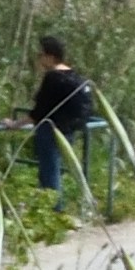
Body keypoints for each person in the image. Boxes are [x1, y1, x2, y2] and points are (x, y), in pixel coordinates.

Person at [25, 34, 107, 199]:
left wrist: (15, 123)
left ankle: (53, 211)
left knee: (49, 172)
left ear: (50, 56)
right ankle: (54, 208)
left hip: (50, 130)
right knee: (55, 169)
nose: (39, 59)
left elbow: (40, 110)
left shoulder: (53, 77)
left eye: (41, 55)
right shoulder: (75, 77)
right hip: (67, 131)